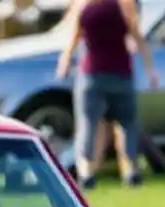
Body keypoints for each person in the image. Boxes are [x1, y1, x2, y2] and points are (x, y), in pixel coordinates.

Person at [56, 0, 157, 189]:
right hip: (121, 73)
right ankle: (130, 171)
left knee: (87, 124)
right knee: (127, 124)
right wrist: (150, 69)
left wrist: (64, 64)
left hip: (92, 73)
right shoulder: (123, 6)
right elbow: (138, 38)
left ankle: (86, 172)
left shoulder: (84, 8)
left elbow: (73, 40)